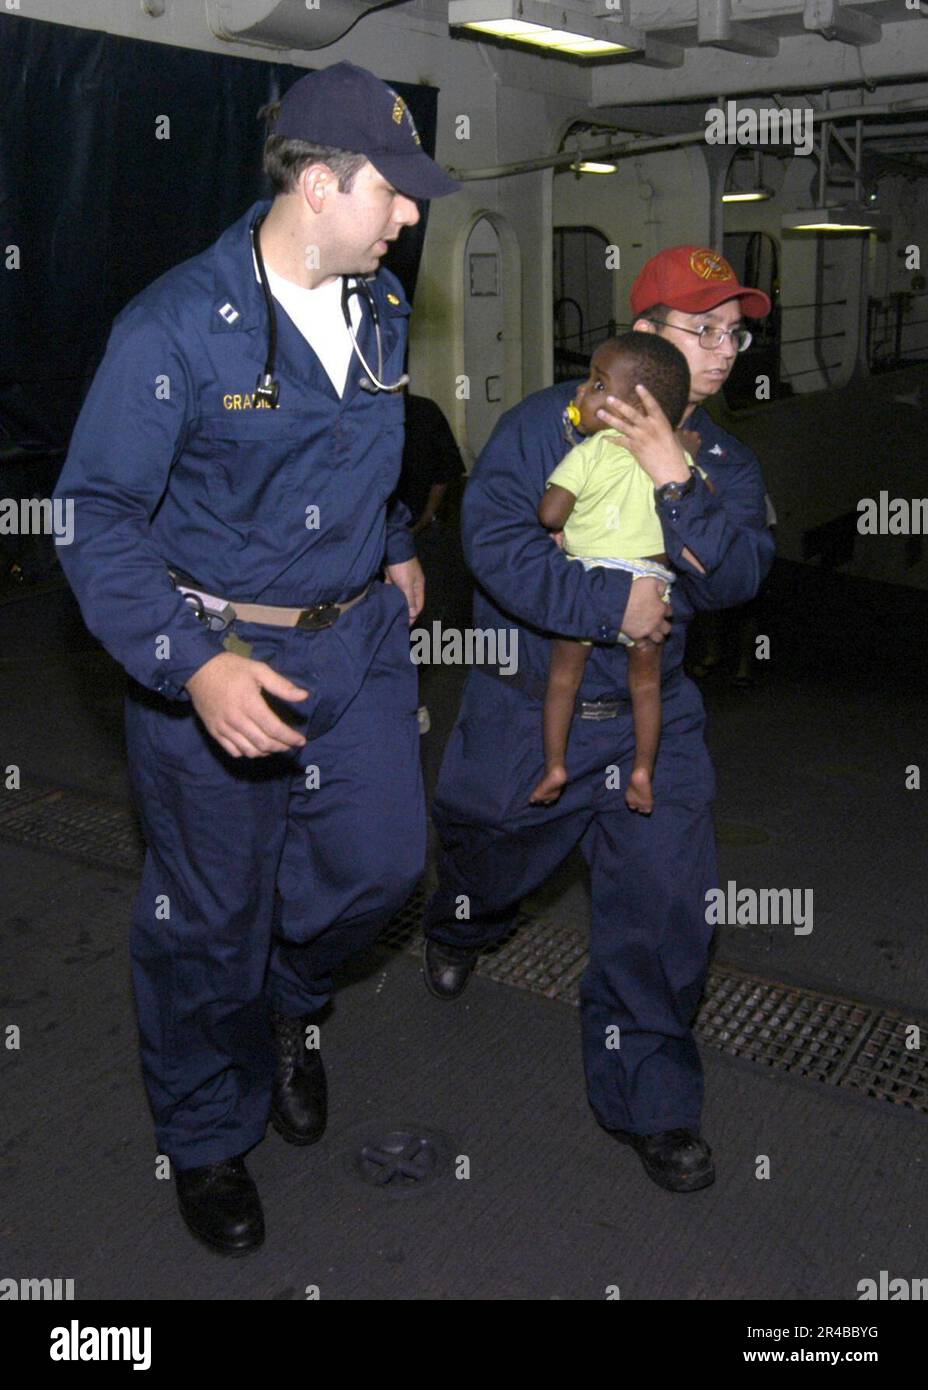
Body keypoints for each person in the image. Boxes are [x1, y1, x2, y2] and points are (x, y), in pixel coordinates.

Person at [53, 61, 459, 1255]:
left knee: (385, 869)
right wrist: (194, 662)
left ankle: (292, 1007)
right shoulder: (175, 324)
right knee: (206, 924)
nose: (410, 215)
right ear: (321, 185)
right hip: (218, 657)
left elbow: (356, 456)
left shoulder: (376, 306)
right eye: (392, 192)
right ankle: (209, 1134)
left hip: (359, 643)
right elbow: (94, 518)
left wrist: (389, 544)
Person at [423, 246, 775, 1194]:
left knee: (666, 914)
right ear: (643, 333)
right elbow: (492, 537)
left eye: (735, 332)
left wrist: (675, 481)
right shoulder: (548, 423)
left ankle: (652, 1102)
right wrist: (602, 605)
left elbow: (741, 575)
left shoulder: (723, 462)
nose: (725, 348)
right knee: (487, 850)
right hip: (529, 703)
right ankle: (459, 926)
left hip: (656, 722)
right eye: (701, 329)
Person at [530, 332, 696, 812]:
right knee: (646, 683)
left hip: (590, 583)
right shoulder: (673, 458)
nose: (580, 392)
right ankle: (643, 770)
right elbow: (692, 512)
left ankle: (555, 765)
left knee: (564, 678)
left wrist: (560, 503)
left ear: (635, 407)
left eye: (597, 385)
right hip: (650, 584)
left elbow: (549, 515)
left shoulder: (591, 450)